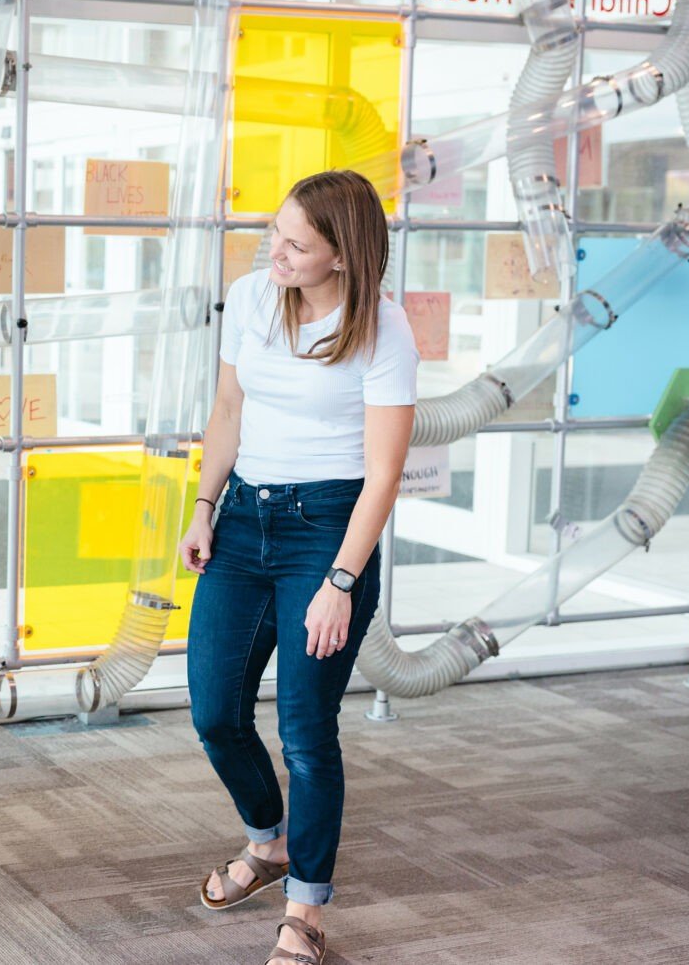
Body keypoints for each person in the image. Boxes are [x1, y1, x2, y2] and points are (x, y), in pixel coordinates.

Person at [178, 170, 417, 965]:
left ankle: (306, 908)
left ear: (341, 256)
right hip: (243, 517)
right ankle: (268, 840)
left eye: (295, 245)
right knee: (216, 710)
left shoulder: (382, 328)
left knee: (306, 731)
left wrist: (341, 582)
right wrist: (205, 505)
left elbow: (384, 472)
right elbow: (229, 410)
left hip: (328, 529)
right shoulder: (252, 297)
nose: (274, 252)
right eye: (274, 234)